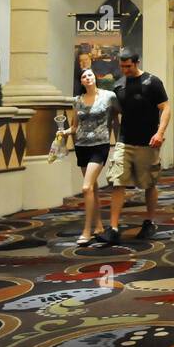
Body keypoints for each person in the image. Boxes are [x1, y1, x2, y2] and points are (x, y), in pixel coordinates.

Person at [101, 49, 170, 244]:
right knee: (117, 181)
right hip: (125, 141)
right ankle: (113, 227)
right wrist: (115, 138)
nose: (125, 70)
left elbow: (165, 108)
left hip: (148, 142)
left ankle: (149, 221)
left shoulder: (152, 82)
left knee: (149, 183)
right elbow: (115, 113)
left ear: (137, 62)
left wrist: (160, 133)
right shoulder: (119, 86)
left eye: (128, 66)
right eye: (122, 66)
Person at [69, 68, 119, 246]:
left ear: (95, 77)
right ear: (81, 81)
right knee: (93, 189)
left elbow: (115, 118)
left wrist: (119, 141)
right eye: (83, 76)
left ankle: (87, 231)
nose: (87, 78)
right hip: (82, 146)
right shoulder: (77, 101)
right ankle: (98, 226)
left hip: (100, 145)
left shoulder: (109, 96)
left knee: (86, 187)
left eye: (89, 74)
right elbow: (74, 126)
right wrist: (62, 133)